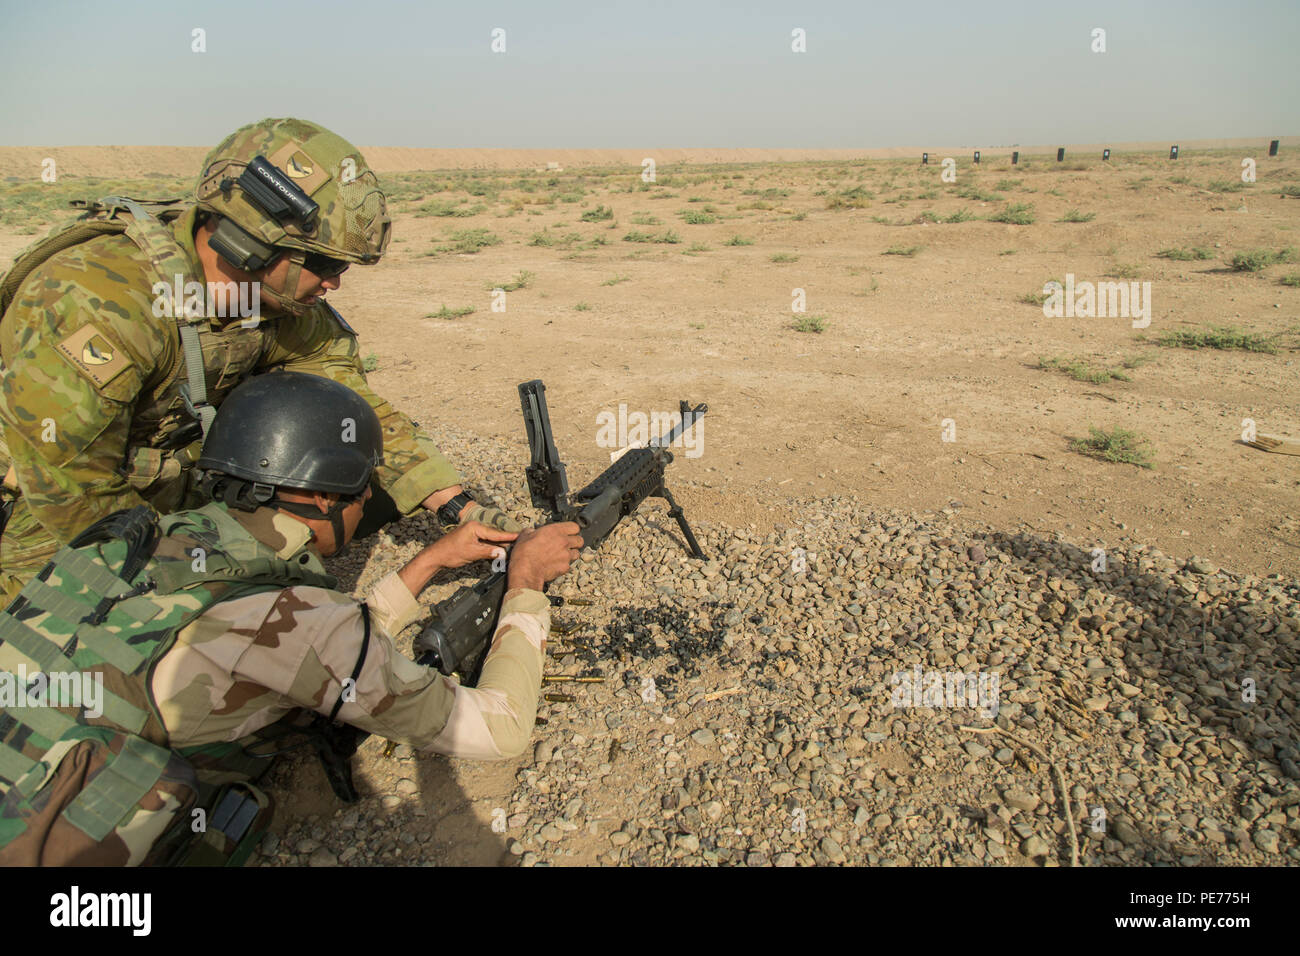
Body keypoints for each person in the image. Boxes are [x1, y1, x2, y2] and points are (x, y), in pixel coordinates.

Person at [0, 372, 583, 866]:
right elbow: (500, 729)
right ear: (328, 498)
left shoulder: (150, 537)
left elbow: (293, 640)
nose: (364, 507)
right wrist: (526, 583)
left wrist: (429, 562)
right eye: (363, 494)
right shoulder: (301, 619)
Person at [0, 116, 515, 605]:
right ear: (247, 244)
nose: (335, 283)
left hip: (183, 484)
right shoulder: (98, 301)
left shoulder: (273, 301)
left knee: (359, 487)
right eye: (324, 264)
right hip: (53, 510)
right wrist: (184, 579)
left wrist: (452, 500)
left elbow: (344, 399)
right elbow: (72, 487)